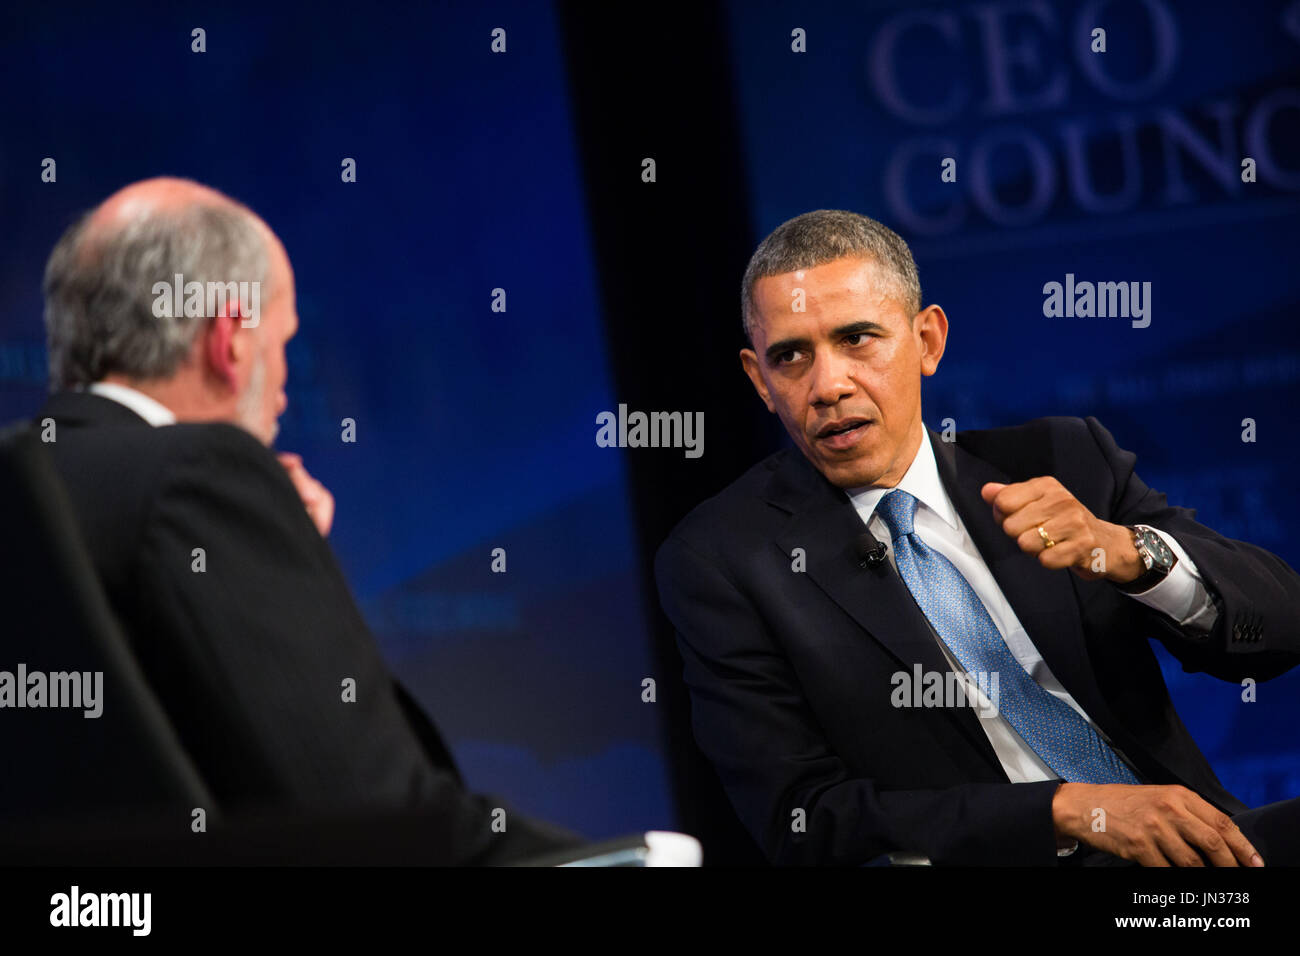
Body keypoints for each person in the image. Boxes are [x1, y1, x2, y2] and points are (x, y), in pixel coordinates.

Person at [655, 209, 1300, 866]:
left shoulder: (1062, 459)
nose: (828, 386)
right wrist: (1068, 811)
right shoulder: (723, 560)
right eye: (790, 356)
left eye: (857, 339)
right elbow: (805, 818)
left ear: (927, 340)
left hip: (1211, 861)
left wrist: (1129, 554)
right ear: (759, 379)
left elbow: (1280, 629)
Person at [32, 177, 582, 864]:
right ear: (228, 340)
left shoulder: (38, 487)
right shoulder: (201, 475)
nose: (285, 384)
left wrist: (267, 571)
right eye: (283, 341)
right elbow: (374, 818)